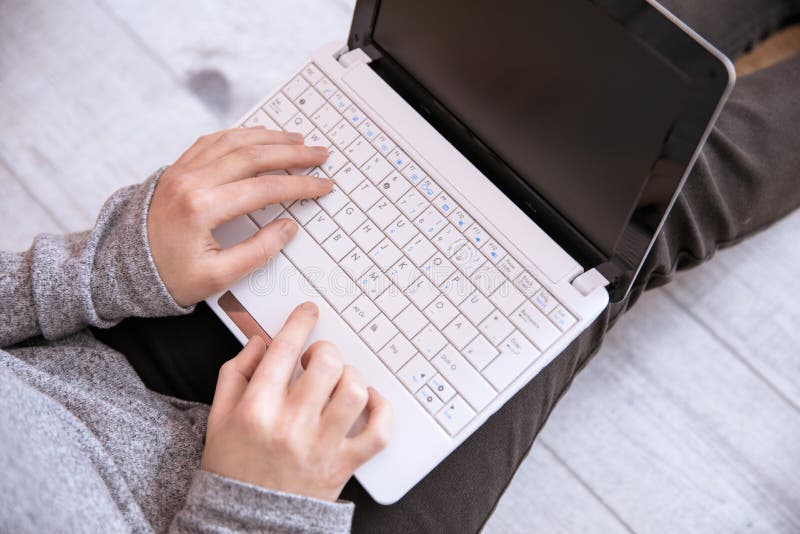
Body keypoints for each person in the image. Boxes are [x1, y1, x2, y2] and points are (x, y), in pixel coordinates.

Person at [1, 0, 799, 531]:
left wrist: (105, 266)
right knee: (635, 221)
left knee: (521, 99)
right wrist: (257, 508)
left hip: (99, 347)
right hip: (290, 503)